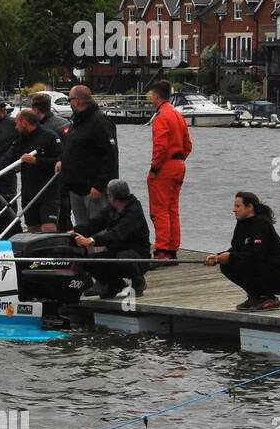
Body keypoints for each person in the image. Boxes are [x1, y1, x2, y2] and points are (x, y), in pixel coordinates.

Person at [205, 192, 280, 311]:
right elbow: (236, 249)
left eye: (238, 206)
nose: (234, 210)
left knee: (243, 263)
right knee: (227, 265)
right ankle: (255, 296)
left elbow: (258, 254)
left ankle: (269, 298)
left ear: (249, 207)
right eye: (234, 206)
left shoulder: (261, 223)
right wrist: (218, 257)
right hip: (262, 267)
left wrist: (230, 256)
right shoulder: (242, 223)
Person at [72, 178, 150, 299]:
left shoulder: (134, 212)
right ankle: (115, 285)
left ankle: (138, 281)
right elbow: (95, 223)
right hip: (115, 252)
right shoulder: (111, 209)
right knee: (90, 262)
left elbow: (117, 234)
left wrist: (91, 241)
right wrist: (75, 231)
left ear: (111, 196)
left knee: (124, 258)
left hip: (137, 255)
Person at [58, 85, 118, 231]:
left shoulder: (100, 121)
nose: (70, 103)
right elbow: (73, 146)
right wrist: (62, 161)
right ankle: (85, 254)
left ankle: (101, 254)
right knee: (81, 229)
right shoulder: (77, 121)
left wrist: (99, 185)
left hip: (93, 189)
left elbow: (110, 156)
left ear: (76, 101)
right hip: (75, 186)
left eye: (69, 99)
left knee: (98, 229)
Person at [146, 79, 192, 266]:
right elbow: (188, 145)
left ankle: (162, 252)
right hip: (179, 164)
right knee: (173, 208)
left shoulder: (161, 116)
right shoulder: (177, 114)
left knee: (160, 209)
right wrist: (178, 160)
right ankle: (172, 250)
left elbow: (160, 146)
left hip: (165, 166)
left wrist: (154, 168)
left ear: (156, 95)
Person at [3, 109, 62, 231]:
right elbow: (6, 159)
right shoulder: (21, 140)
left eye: (17, 123)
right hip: (28, 191)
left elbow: (60, 160)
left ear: (24, 122)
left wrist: (37, 161)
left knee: (48, 227)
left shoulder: (49, 136)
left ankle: (50, 249)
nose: (15, 126)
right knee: (32, 229)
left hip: (48, 191)